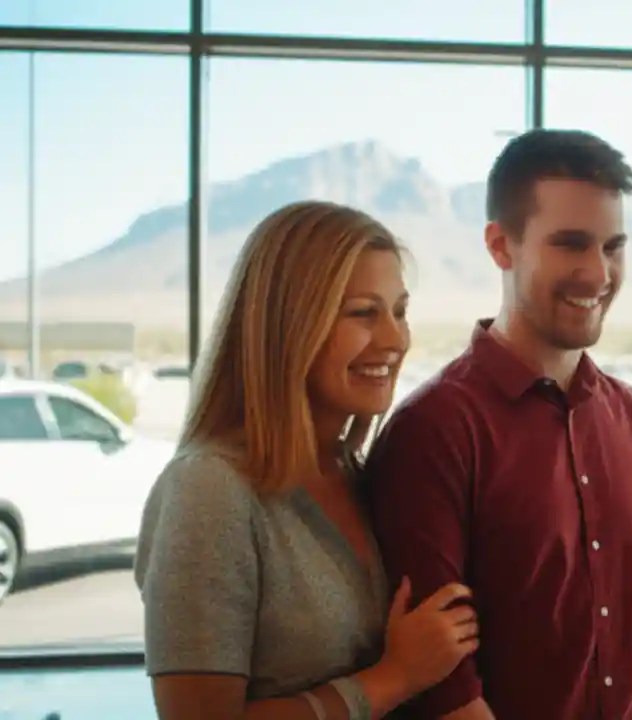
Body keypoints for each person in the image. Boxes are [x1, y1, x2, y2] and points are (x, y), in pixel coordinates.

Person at [365, 129, 632, 719]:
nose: (597, 274)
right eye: (571, 244)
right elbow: (446, 692)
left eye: (613, 246)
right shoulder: (433, 432)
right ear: (501, 245)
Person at [134, 201, 479, 720]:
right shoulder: (209, 489)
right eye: (364, 312)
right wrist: (394, 678)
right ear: (288, 324)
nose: (394, 339)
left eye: (399, 311)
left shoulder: (356, 475)